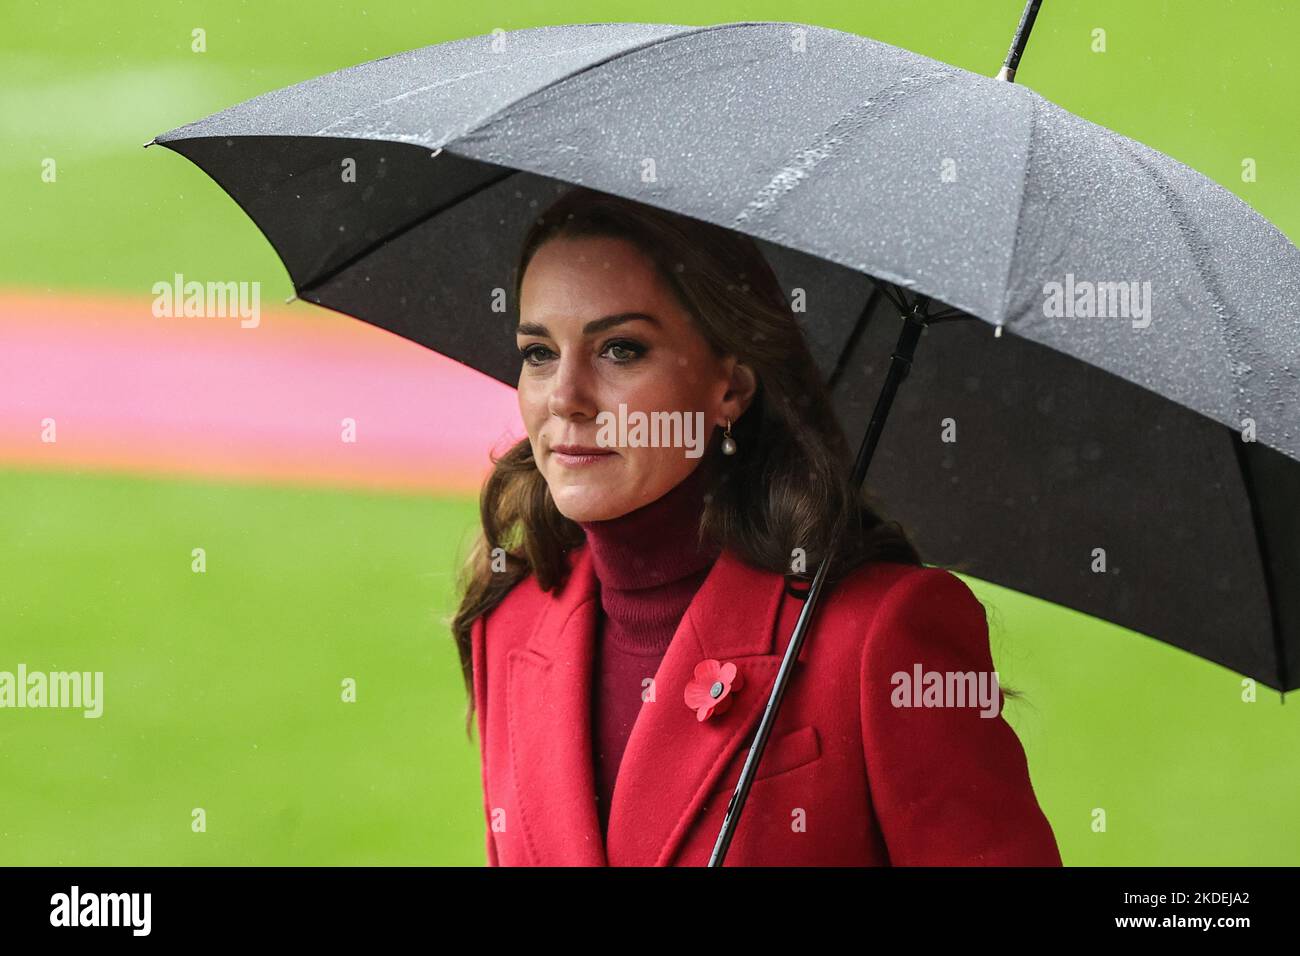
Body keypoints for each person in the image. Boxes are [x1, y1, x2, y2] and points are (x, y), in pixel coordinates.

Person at [451, 186, 1061, 866]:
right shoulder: (509, 626)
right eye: (539, 352)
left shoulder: (879, 637)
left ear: (731, 388)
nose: (564, 397)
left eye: (620, 350)